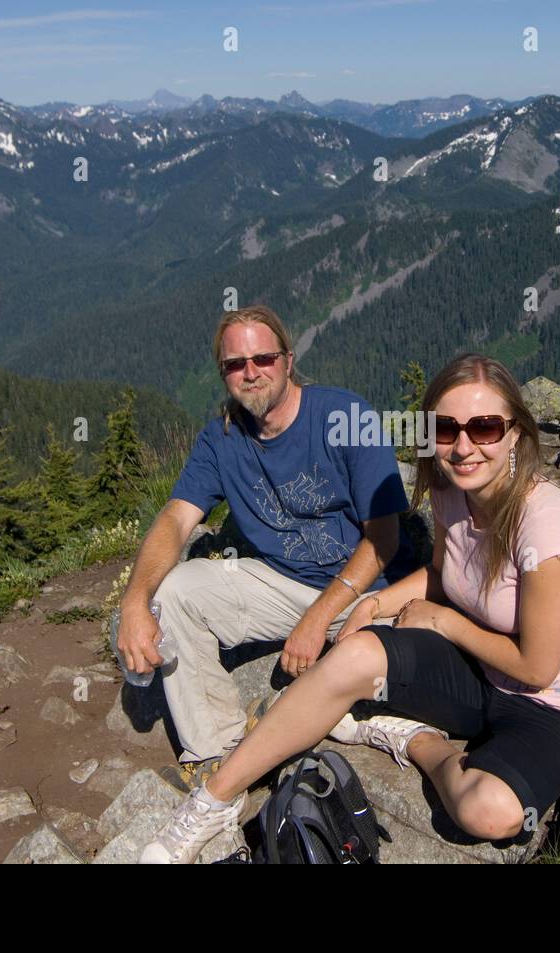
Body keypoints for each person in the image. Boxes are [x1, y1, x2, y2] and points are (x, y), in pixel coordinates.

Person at [140, 353, 560, 863]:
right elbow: (443, 576)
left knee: (488, 812)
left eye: (486, 427)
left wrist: (444, 621)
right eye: (446, 429)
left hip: (553, 707)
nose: (464, 445)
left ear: (516, 433)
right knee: (356, 655)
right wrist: (375, 602)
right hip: (480, 677)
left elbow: (538, 667)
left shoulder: (546, 526)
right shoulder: (455, 492)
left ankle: (417, 743)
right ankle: (213, 800)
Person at [117, 304, 412, 789]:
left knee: (380, 672)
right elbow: (175, 518)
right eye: (235, 364)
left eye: (264, 359)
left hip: (365, 594)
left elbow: (383, 540)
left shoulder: (346, 416)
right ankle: (217, 754)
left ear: (288, 361)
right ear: (223, 373)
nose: (251, 373)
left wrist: (316, 621)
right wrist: (134, 602)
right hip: (281, 583)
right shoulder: (220, 440)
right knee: (175, 592)